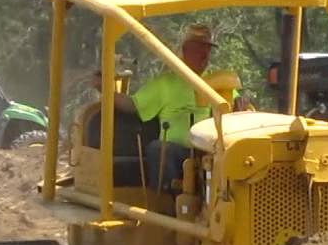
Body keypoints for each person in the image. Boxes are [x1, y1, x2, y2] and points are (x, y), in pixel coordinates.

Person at [102, 23, 238, 191]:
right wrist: (104, 88)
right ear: (185, 51)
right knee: (158, 148)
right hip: (177, 153)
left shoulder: (220, 82)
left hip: (211, 152)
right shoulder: (166, 83)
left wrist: (243, 105)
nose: (204, 54)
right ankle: (167, 202)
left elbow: (238, 110)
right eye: (199, 49)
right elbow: (132, 106)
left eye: (208, 49)